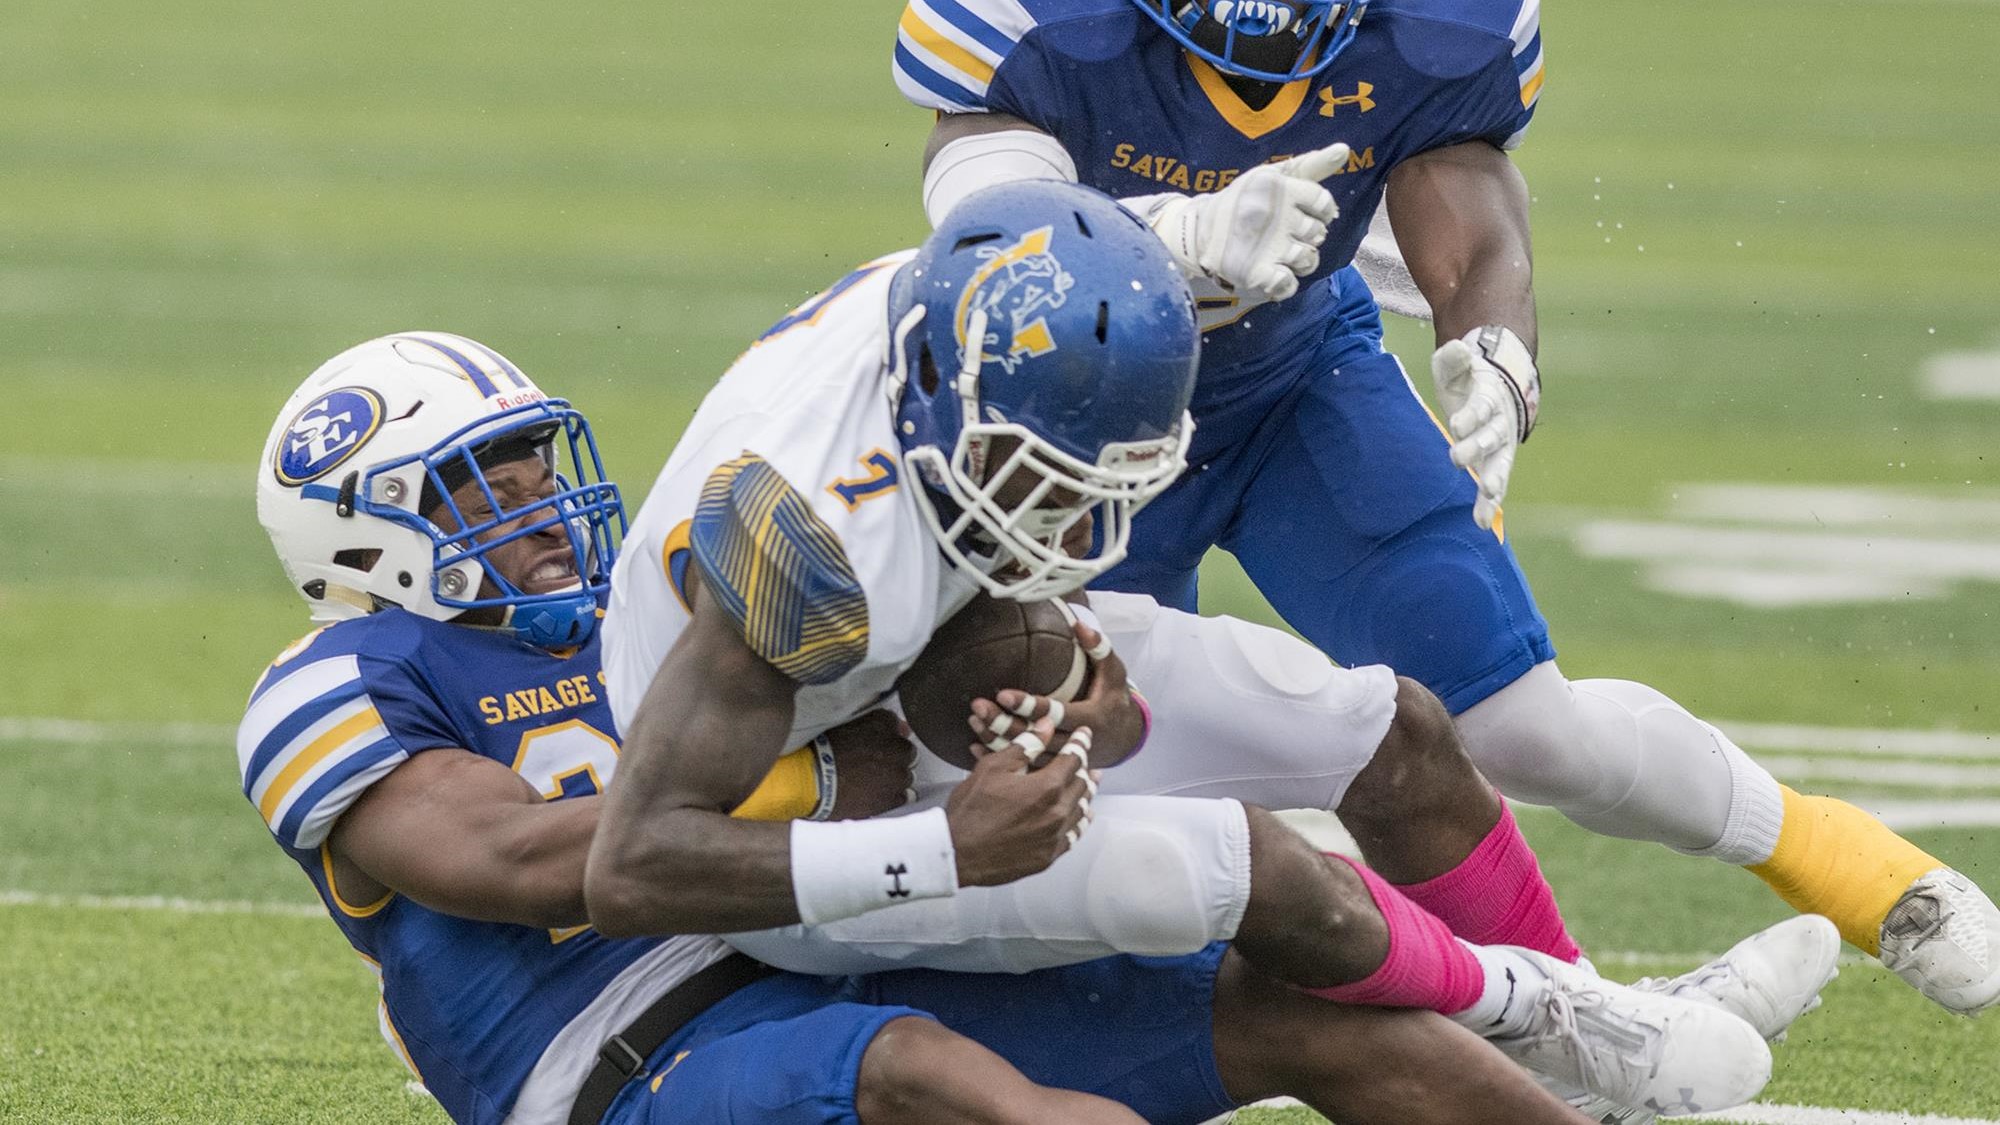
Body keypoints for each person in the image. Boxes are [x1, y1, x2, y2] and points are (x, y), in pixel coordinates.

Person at [591, 179, 1820, 1121]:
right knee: (1232, 867)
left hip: (918, 653)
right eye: (1045, 487)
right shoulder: (806, 546)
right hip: (798, 813)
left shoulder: (990, 312)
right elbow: (632, 866)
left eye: (1097, 487)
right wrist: (939, 847)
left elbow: (1104, 253)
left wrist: (1085, 692)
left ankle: (1590, 1041)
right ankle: (1554, 1010)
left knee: (1387, 727)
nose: (1076, 531)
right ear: (936, 403)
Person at [887, 0, 2000, 1014]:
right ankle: (1566, 1020)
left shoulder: (1436, 28)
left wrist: (1494, 345)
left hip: (1295, 392)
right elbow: (988, 237)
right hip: (1062, 426)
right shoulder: (1037, 24)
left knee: (1523, 726)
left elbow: (1461, 196)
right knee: (1068, 780)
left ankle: (1846, 863)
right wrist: (1167, 242)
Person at [240, 329, 1621, 1125]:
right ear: (364, 535)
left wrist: (1059, 697)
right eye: (486, 484)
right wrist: (831, 775)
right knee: (926, 1077)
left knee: (1302, 1009)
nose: (542, 500)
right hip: (618, 1063)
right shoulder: (337, 677)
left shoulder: (643, 620)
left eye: (539, 463)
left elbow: (1029, 713)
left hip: (827, 956)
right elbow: (528, 864)